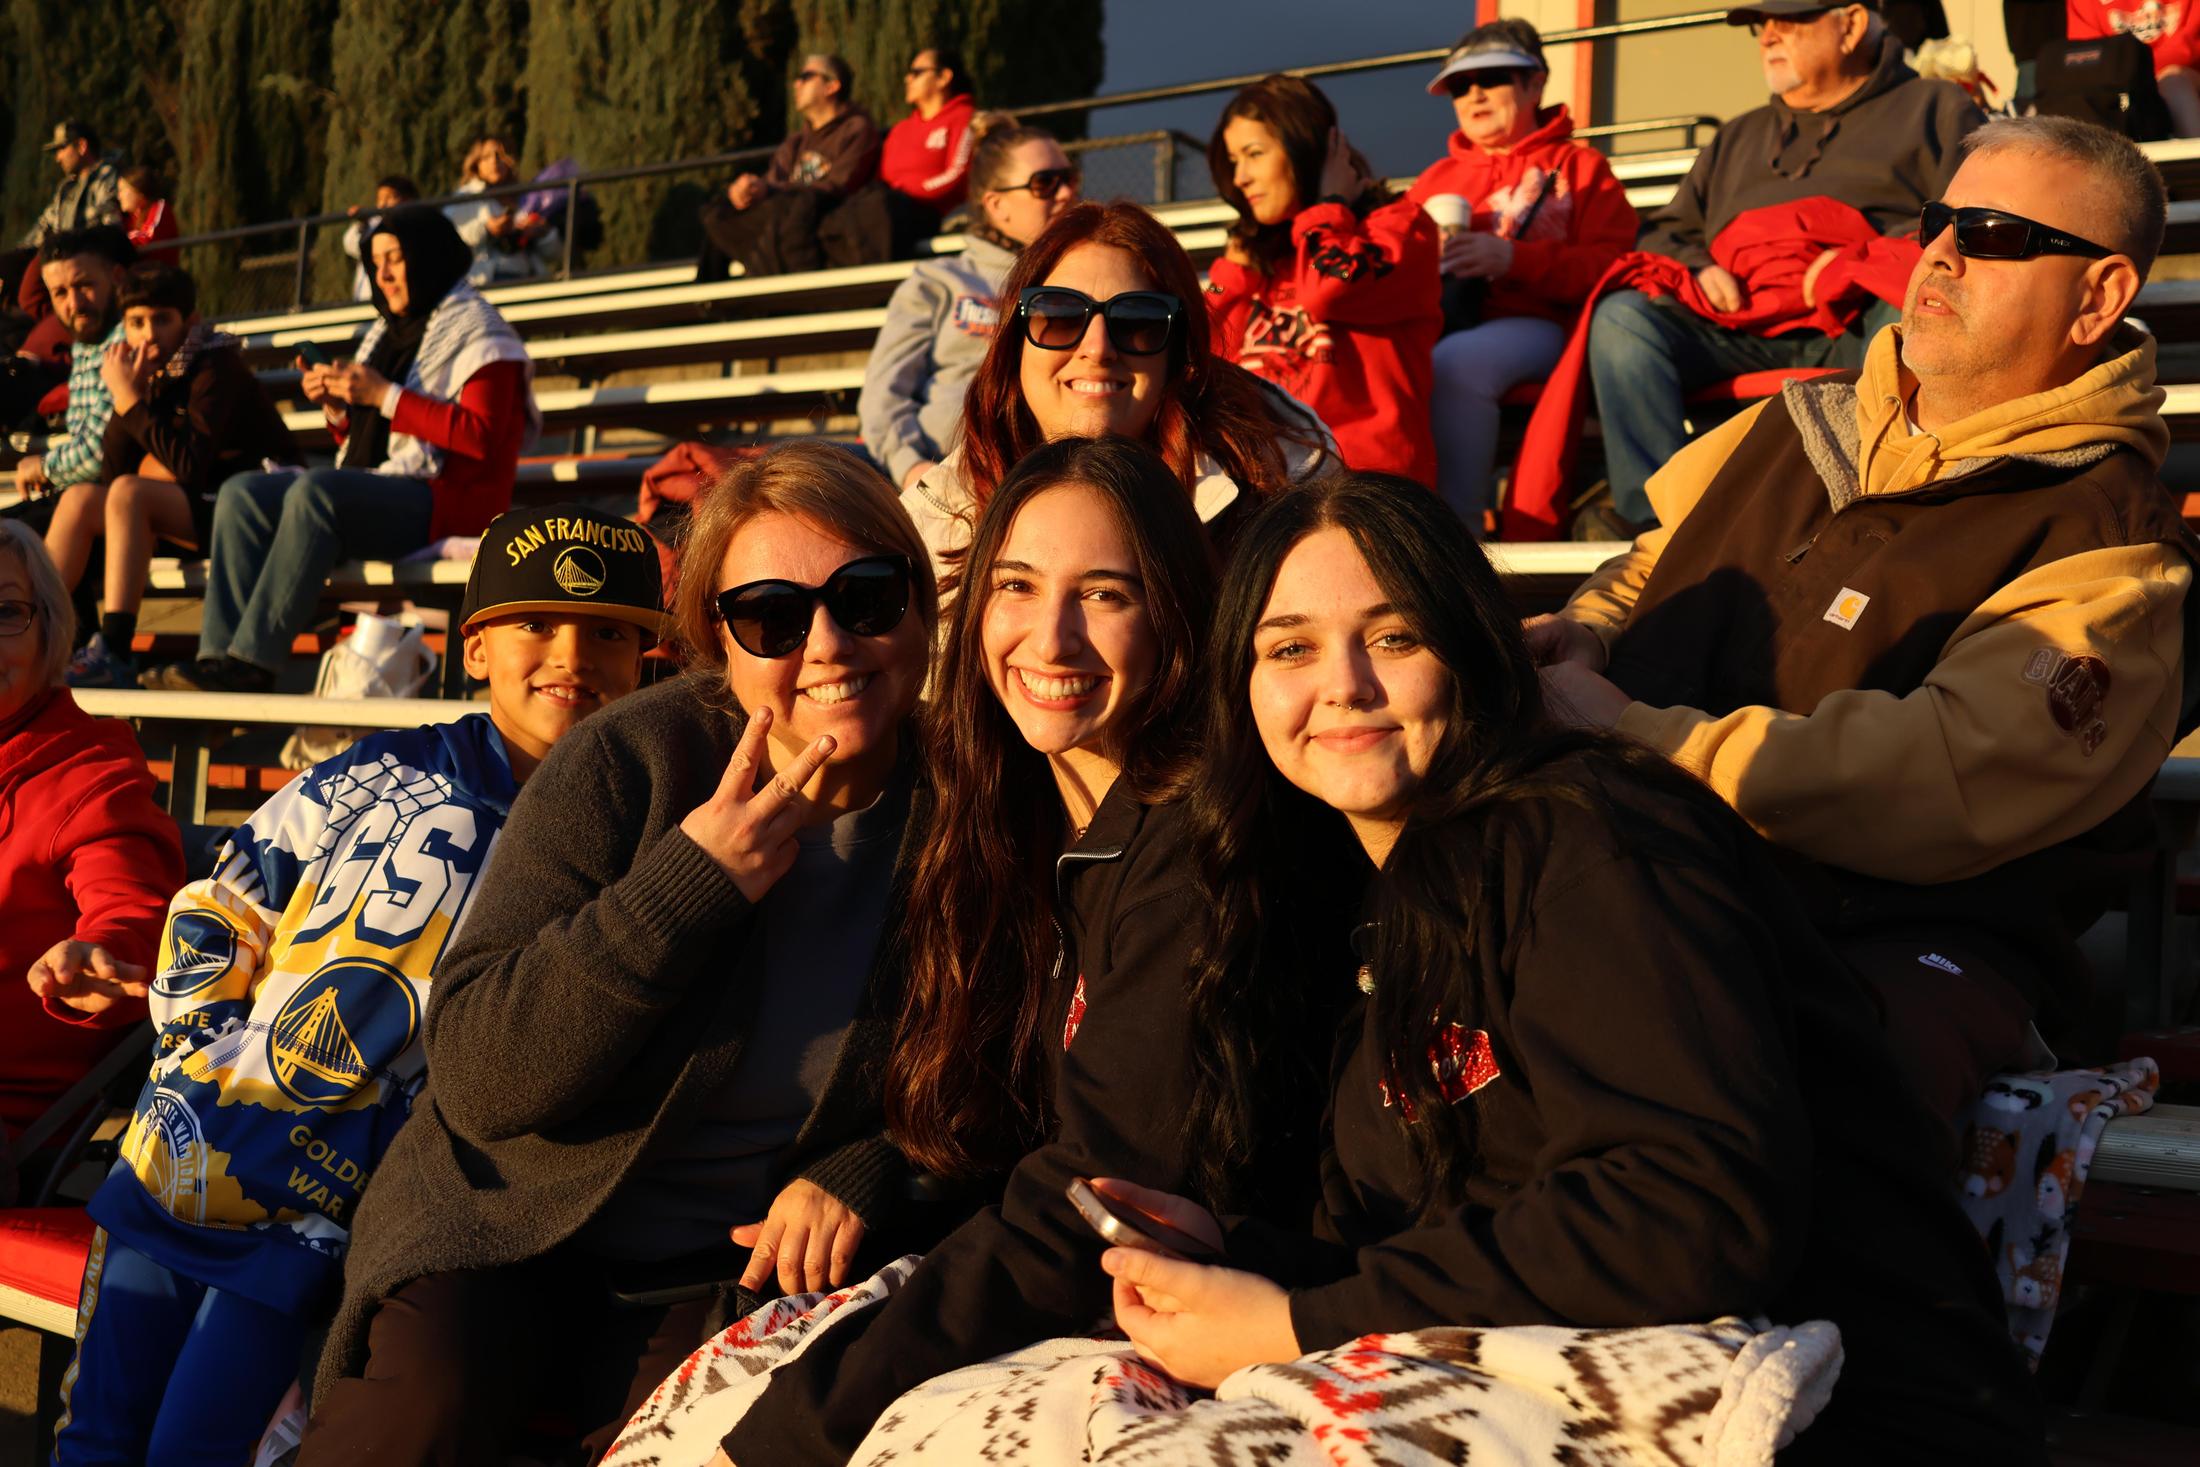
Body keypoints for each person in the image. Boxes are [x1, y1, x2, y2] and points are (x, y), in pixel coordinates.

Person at [1094, 475, 2045, 1464]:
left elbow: (1689, 1211)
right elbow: (1450, 1250)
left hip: (1833, 1419)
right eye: (1289, 647)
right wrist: (1241, 1261)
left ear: (1470, 649)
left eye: (1394, 637)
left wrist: (1291, 1326)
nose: (1343, 685)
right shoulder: (1381, 904)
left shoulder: (1596, 836)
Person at [1533, 117, 2193, 1143]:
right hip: (1626, 867)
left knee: (1793, 1080)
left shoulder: (2115, 548)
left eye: (1994, 235)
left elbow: (1938, 778)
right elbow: (1647, 566)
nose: (1939, 254)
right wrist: (1585, 637)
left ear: (2099, 297)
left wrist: (1634, 734)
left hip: (1882, 944)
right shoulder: (1798, 419)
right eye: (1938, 221)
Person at [695, 436, 1340, 1465]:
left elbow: (1089, 1197)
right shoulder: (1023, 819)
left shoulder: (1196, 841)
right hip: (1109, 1291)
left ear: (1175, 610)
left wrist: (789, 1435)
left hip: (1251, 1321)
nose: (1052, 636)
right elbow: (991, 1118)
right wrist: (866, 1171)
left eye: (1106, 595)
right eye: (1018, 587)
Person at [302, 442, 938, 1463]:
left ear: (919, 610)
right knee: (415, 1422)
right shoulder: (631, 761)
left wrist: (870, 1168)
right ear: (716, 644)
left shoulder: (971, 812)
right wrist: (683, 889)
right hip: (505, 1212)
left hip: (728, 1262)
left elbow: (1000, 1074)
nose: (825, 644)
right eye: (771, 616)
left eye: (864, 597)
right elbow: (481, 1078)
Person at [42, 505, 661, 1467]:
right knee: (95, 1434)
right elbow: (225, 894)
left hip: (329, 1213)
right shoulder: (381, 769)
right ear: (480, 641)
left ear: (646, 661)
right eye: (536, 622)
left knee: (196, 1448)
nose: (571, 654)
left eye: (609, 632)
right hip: (188, 1146)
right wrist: (194, 1049)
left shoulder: (631, 837)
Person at [1585, 0, 1983, 532]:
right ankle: (1657, 525)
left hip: (1861, 316)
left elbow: (1966, 216)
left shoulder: (1934, 108)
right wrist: (1700, 267)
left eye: (1789, 20)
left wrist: (1851, 262)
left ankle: (1879, 514)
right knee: (1622, 320)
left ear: (1851, 24)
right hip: (1739, 320)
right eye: (1760, 25)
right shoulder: (1736, 135)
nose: (1768, 36)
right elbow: (1666, 233)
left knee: (1912, 305)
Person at [142, 206, 536, 693]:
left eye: (395, 257)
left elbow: (482, 436)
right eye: (375, 261)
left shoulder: (483, 333)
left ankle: (251, 664)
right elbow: (373, 444)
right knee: (242, 493)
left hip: (449, 502)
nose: (383, 273)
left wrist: (382, 395)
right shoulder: (386, 334)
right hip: (394, 490)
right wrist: (339, 406)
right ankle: (216, 657)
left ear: (428, 256)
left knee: (317, 491)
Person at [906, 201, 1334, 590]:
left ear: (1178, 352)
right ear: (1014, 343)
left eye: (1138, 321)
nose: (1097, 348)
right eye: (1059, 315)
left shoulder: (1284, 497)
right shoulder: (935, 524)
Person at [3, 522, 180, 1192]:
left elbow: (130, 907)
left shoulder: (88, 767)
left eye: (5, 612)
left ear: (50, 628)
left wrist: (99, 948)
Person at [1405, 21, 1639, 525]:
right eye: (1460, 86)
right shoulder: (1433, 180)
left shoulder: (1582, 166)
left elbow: (1614, 266)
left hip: (1546, 327)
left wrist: (1512, 259)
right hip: (1437, 325)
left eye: (1491, 77)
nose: (1474, 94)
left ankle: (1458, 541)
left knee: (1456, 366)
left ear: (1535, 84)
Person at [52, 262, 300, 688]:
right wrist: (126, 397)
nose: (148, 335)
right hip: (190, 508)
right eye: (136, 323)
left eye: (161, 320)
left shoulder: (215, 365)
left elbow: (187, 466)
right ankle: (35, 637)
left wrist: (132, 402)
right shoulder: (150, 374)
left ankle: (114, 647)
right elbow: (113, 476)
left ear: (190, 322)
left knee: (130, 494)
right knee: (79, 498)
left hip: (246, 515)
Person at [1205, 75, 1441, 487]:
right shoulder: (1258, 260)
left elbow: (1328, 292)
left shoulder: (1400, 228)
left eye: (1254, 154)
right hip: (1266, 488)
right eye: (1233, 160)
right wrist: (1230, 274)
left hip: (1367, 490)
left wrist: (1329, 206)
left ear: (1308, 150)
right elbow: (1200, 353)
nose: (1240, 176)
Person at [858, 115, 1078, 493]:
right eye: (1045, 183)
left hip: (1046, 481)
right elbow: (883, 394)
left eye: (1070, 178)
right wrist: (912, 470)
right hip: (939, 475)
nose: (1066, 193)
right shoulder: (940, 281)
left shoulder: (1083, 287)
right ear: (996, 204)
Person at [17, 228, 134, 584]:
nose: (74, 303)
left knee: (15, 543)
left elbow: (98, 453)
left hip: (125, 505)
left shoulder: (127, 341)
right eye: (60, 293)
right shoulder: (85, 344)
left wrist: (45, 467)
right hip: (88, 499)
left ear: (116, 278)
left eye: (84, 285)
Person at [698, 55, 882, 280]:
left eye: (806, 77)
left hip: (821, 218)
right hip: (783, 217)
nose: (796, 84)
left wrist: (774, 191)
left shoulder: (856, 129)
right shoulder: (795, 142)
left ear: (832, 86)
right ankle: (706, 302)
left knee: (788, 211)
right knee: (717, 211)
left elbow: (840, 184)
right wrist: (749, 190)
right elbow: (773, 182)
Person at [877, 47, 978, 235]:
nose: (908, 79)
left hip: (937, 215)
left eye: (917, 73)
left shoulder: (965, 118)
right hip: (890, 211)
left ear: (944, 77)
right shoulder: (900, 129)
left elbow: (958, 173)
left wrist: (907, 192)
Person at [2067, 0, 2200, 135]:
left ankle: (2192, 153)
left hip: (2186, 82)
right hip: (2122, 88)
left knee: (2174, 83)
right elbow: (2089, 62)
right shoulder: (2085, 3)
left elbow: (2187, 53)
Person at [447, 136, 562, 285]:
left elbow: (557, 256)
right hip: (489, 282)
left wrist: (543, 233)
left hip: (530, 280)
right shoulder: (465, 197)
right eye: (486, 157)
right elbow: (447, 239)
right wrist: (487, 230)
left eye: (499, 155)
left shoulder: (527, 198)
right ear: (476, 164)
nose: (494, 161)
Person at [22, 120, 123, 249]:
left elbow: (110, 229)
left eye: (62, 148)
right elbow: (45, 224)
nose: (58, 158)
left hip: (93, 260)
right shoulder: (66, 187)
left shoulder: (108, 175)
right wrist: (22, 251)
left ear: (82, 146)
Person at [342, 175, 421, 302]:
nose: (383, 204)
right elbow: (351, 246)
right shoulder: (372, 223)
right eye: (380, 199)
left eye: (390, 197)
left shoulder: (420, 224)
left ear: (408, 199)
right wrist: (362, 224)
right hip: (367, 301)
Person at [117, 167, 178, 266]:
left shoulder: (160, 207)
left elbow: (148, 237)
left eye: (122, 190)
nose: (119, 196)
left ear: (138, 192)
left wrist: (117, 241)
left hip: (160, 276)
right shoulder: (127, 218)